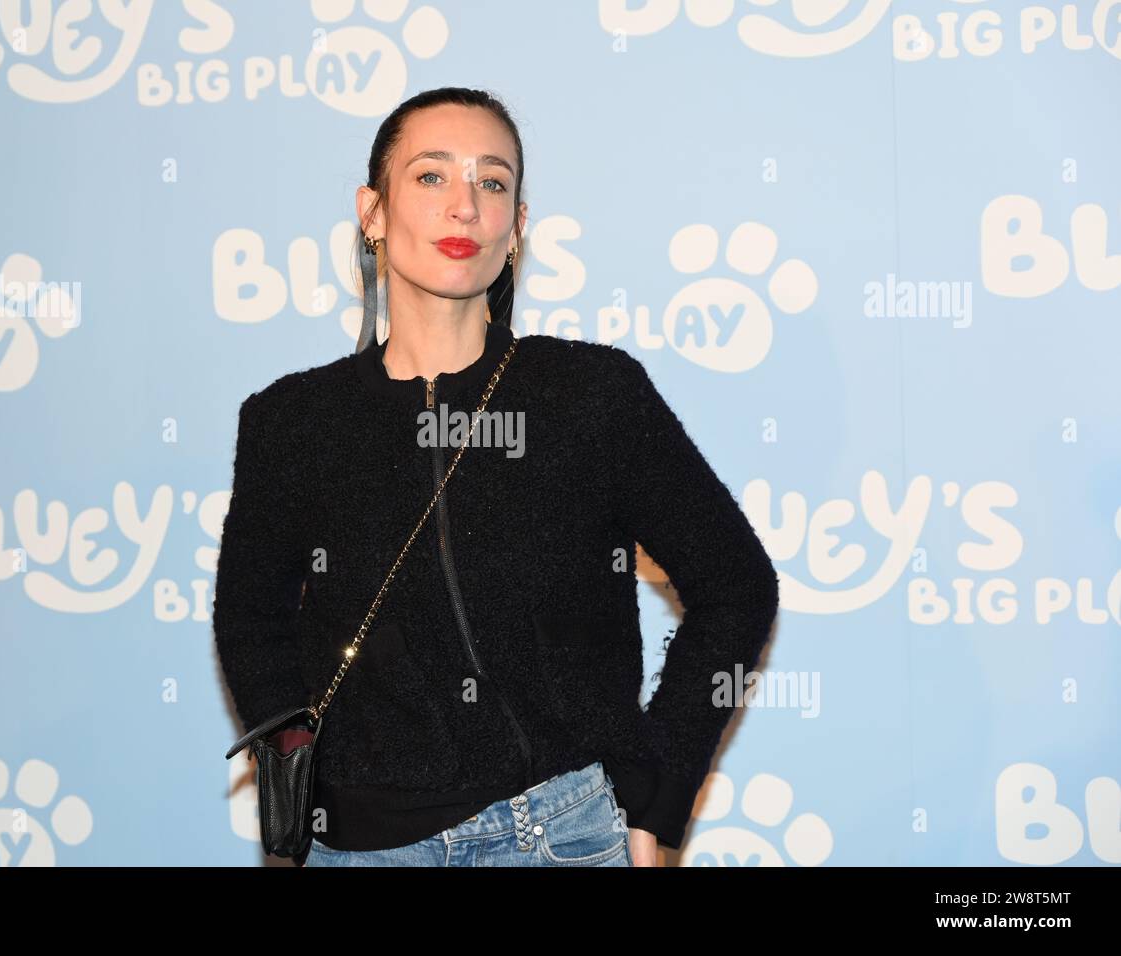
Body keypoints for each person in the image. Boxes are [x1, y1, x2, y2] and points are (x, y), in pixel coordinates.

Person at [213, 87, 781, 867]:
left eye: (492, 183)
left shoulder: (590, 394)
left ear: (517, 225)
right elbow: (249, 619)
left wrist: (657, 791)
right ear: (371, 212)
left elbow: (736, 583)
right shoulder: (292, 421)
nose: (464, 207)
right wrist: (303, 764)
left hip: (564, 836)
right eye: (431, 177)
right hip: (363, 848)